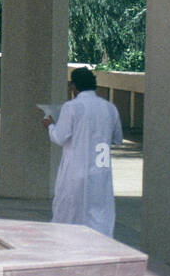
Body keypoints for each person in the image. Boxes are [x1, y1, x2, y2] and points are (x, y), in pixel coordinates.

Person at [44, 66, 124, 237]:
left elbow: (59, 137)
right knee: (99, 215)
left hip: (76, 171)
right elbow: (117, 138)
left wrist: (50, 125)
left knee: (70, 213)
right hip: (100, 171)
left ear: (74, 86)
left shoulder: (72, 107)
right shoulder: (110, 108)